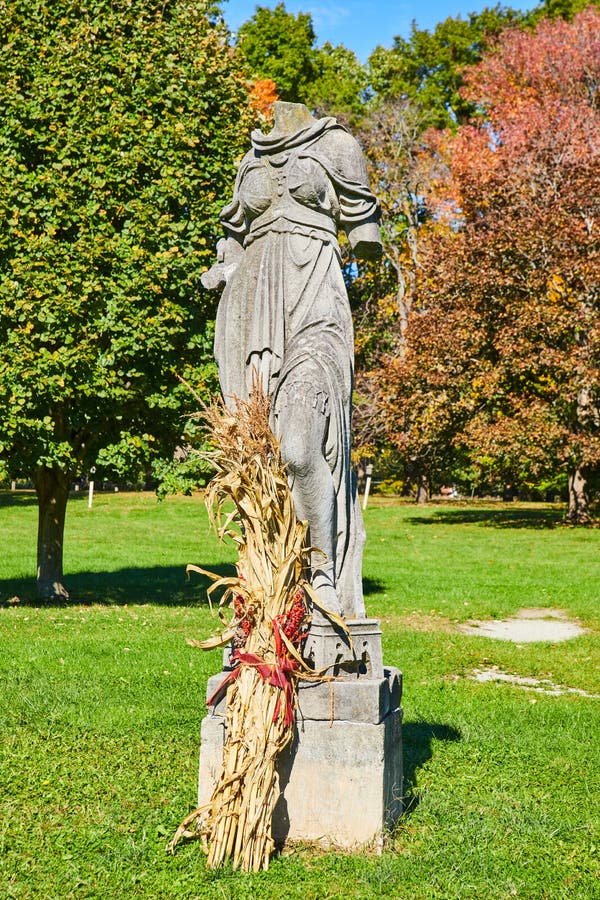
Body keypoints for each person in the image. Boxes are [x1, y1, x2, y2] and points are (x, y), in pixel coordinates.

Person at [202, 102, 382, 618]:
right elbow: (233, 239)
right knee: (258, 457)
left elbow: (365, 229)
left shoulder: (337, 145)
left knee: (301, 446)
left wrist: (363, 235)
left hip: (316, 303)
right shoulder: (250, 159)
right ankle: (270, 584)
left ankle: (323, 573)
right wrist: (224, 268)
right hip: (251, 313)